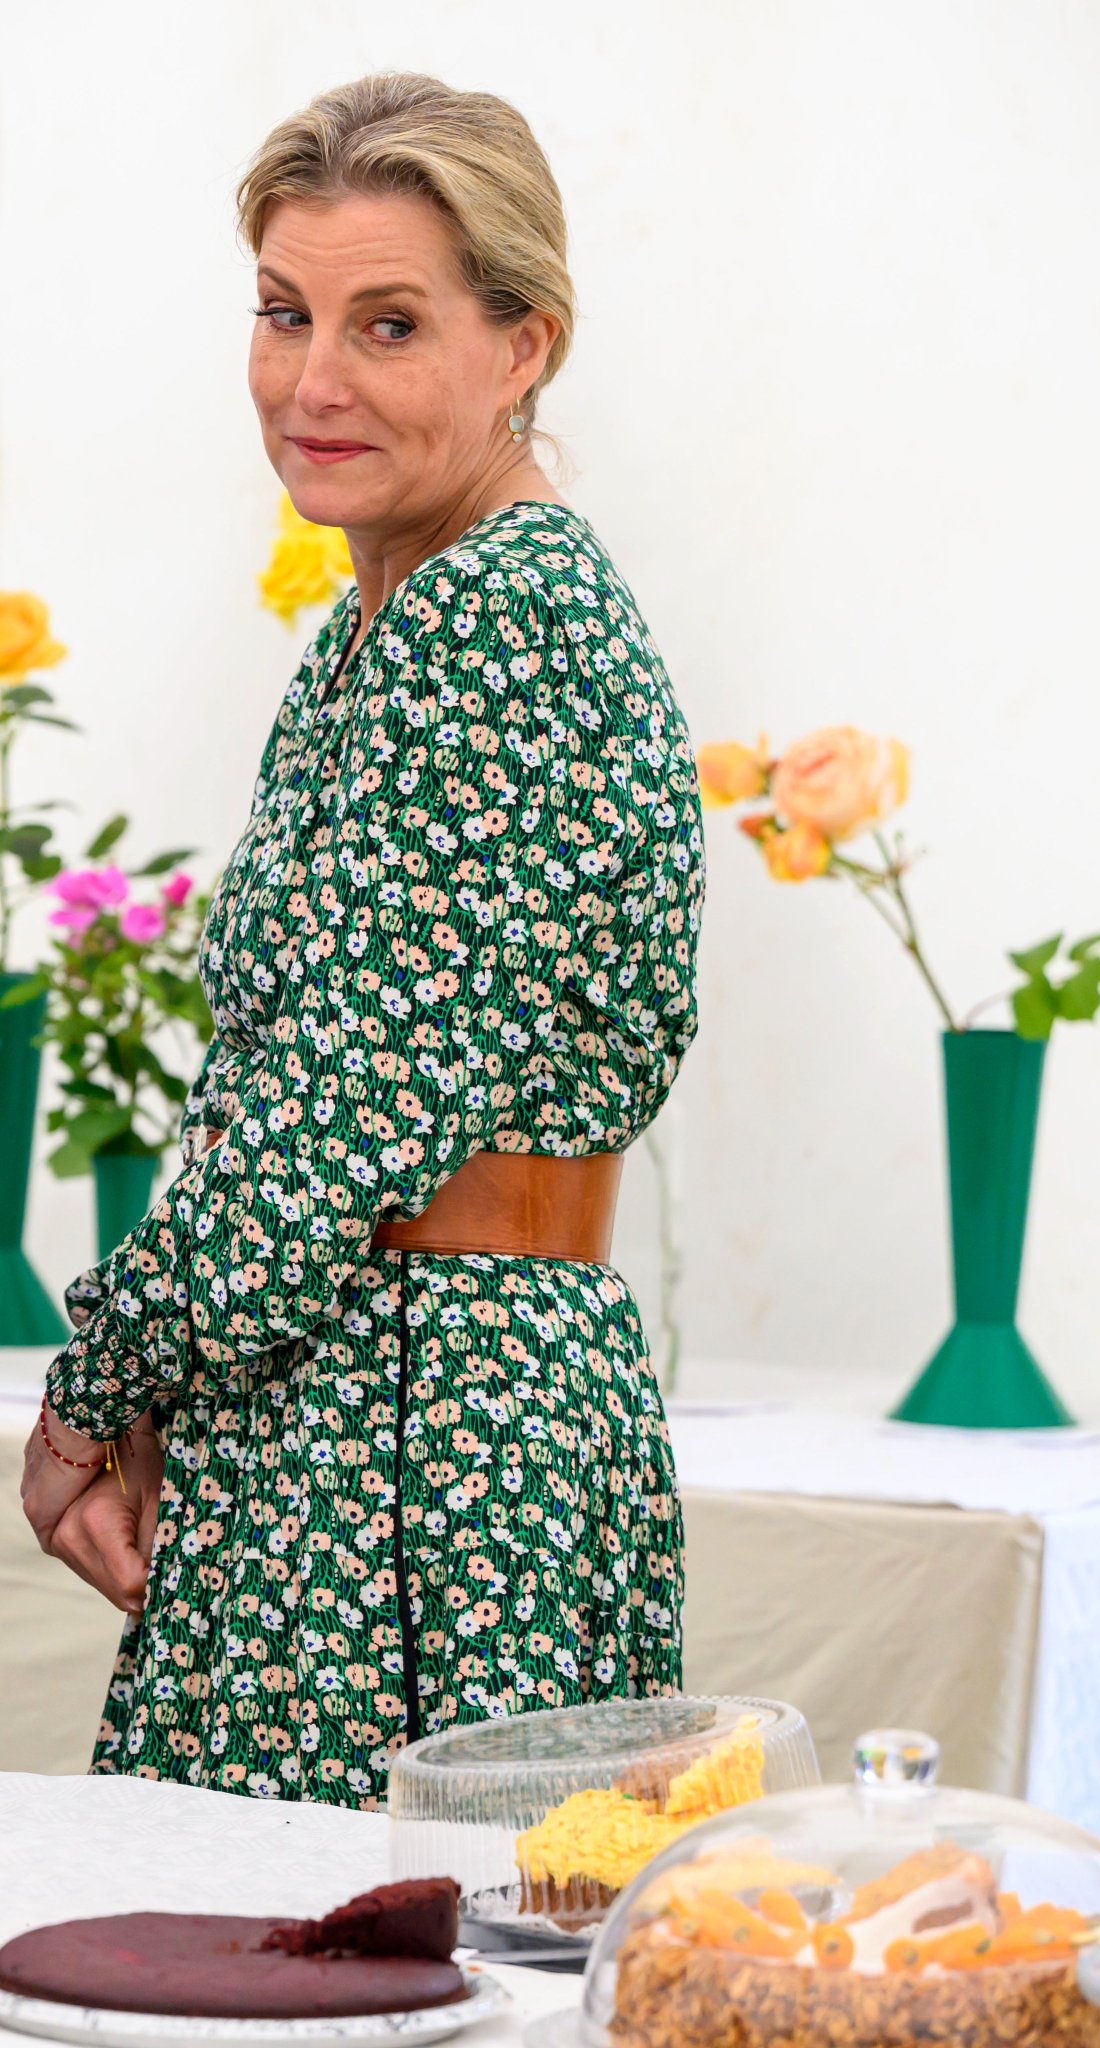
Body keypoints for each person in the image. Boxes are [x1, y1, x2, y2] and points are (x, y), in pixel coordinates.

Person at [21, 71, 704, 1808]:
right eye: (282, 313)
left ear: (521, 345)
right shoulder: (405, 607)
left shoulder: (497, 617)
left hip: (419, 1439)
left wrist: (96, 1387)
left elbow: (335, 1110)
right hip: (373, 1393)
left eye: (385, 325)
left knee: (361, 1964)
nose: (309, 382)